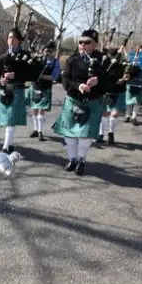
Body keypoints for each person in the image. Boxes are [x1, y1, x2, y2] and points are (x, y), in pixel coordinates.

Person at [52, 29, 107, 176]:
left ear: (94, 44)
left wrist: (99, 80)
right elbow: (65, 80)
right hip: (73, 99)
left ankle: (81, 160)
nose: (82, 44)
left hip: (93, 101)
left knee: (85, 135)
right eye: (81, 41)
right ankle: (72, 159)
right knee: (69, 134)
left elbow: (113, 78)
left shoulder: (103, 60)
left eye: (87, 42)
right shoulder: (72, 59)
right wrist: (79, 86)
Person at [0, 28, 31, 153]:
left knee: (10, 119)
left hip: (17, 90)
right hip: (4, 91)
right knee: (9, 120)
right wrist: (1, 79)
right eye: (9, 37)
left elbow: (30, 75)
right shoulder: (1, 57)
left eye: (14, 37)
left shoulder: (25, 56)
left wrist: (16, 76)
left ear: (19, 40)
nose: (11, 39)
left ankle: (5, 147)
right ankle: (10, 143)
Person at [25, 40, 61, 142]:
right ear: (43, 50)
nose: (47, 52)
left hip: (45, 88)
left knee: (41, 110)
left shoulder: (55, 62)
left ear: (53, 51)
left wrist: (41, 76)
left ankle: (40, 131)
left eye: (50, 51)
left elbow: (54, 77)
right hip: (35, 86)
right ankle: (36, 130)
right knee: (34, 110)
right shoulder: (37, 59)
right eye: (46, 50)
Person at [96, 47, 129, 145]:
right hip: (107, 92)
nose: (115, 58)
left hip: (118, 92)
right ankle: (101, 134)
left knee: (114, 114)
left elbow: (128, 75)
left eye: (116, 56)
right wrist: (114, 81)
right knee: (105, 114)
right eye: (113, 56)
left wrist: (125, 78)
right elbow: (101, 79)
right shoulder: (105, 66)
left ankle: (111, 134)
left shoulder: (122, 65)